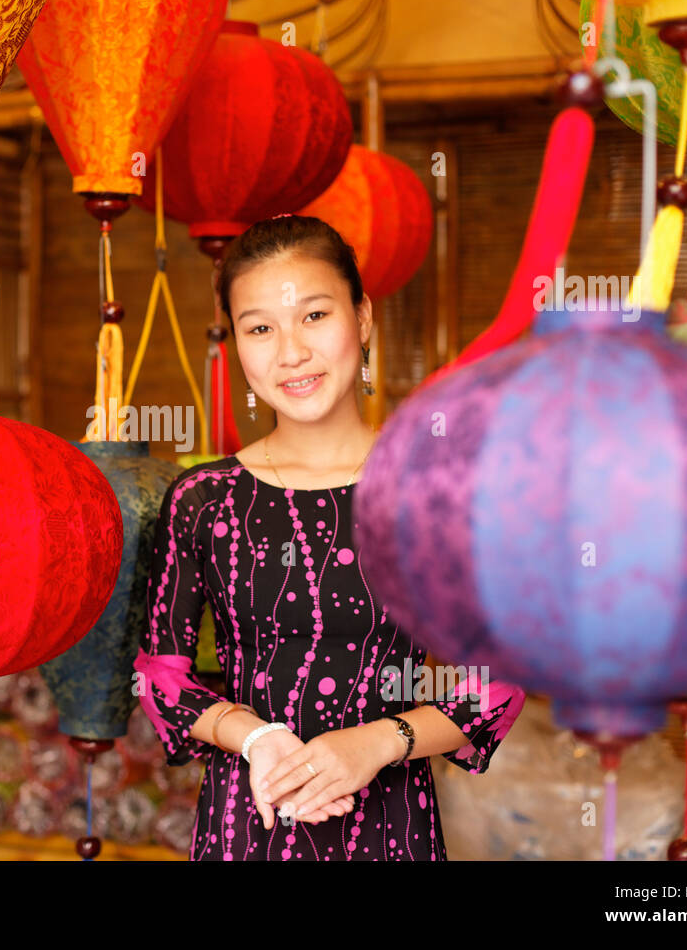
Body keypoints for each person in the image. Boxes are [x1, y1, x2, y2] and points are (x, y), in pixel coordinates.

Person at [134, 215, 525, 860]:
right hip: (246, 824)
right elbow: (161, 681)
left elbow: (499, 682)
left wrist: (376, 743)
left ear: (362, 318)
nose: (290, 352)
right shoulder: (205, 499)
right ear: (236, 342)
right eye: (260, 328)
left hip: (393, 830)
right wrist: (255, 738)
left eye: (314, 316)